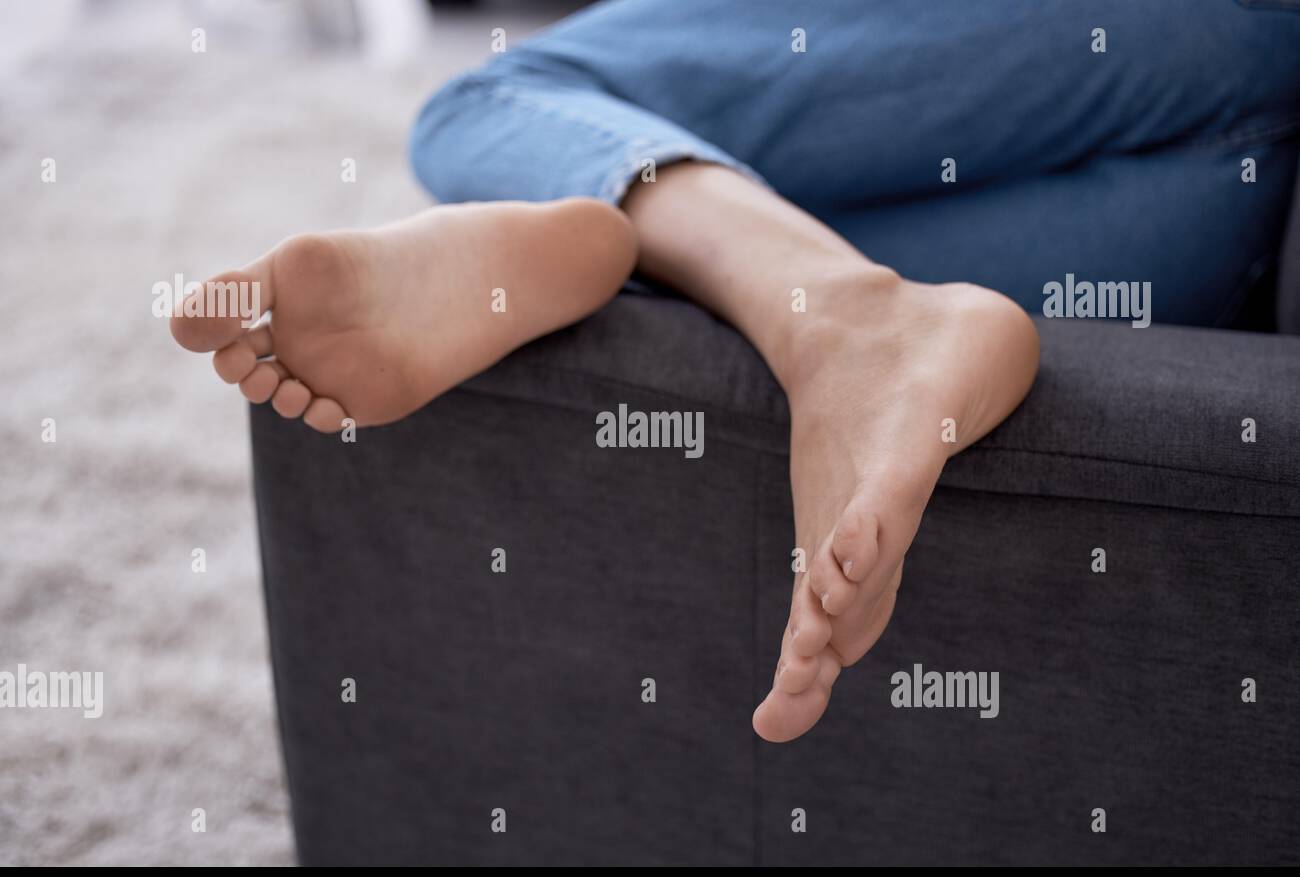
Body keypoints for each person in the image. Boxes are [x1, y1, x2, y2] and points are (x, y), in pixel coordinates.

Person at [169, 0, 1300, 743]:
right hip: (1202, 248)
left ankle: (772, 293)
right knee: (701, 174)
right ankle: (798, 291)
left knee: (501, 94)